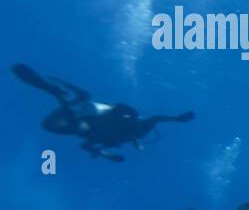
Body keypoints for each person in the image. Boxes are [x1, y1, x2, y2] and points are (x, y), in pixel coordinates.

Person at [12, 63, 194, 161]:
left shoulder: (116, 139)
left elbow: (86, 146)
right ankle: (61, 93)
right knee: (81, 108)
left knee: (80, 106)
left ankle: (61, 93)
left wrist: (107, 156)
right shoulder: (126, 133)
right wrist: (176, 119)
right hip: (84, 116)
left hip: (80, 118)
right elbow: (157, 118)